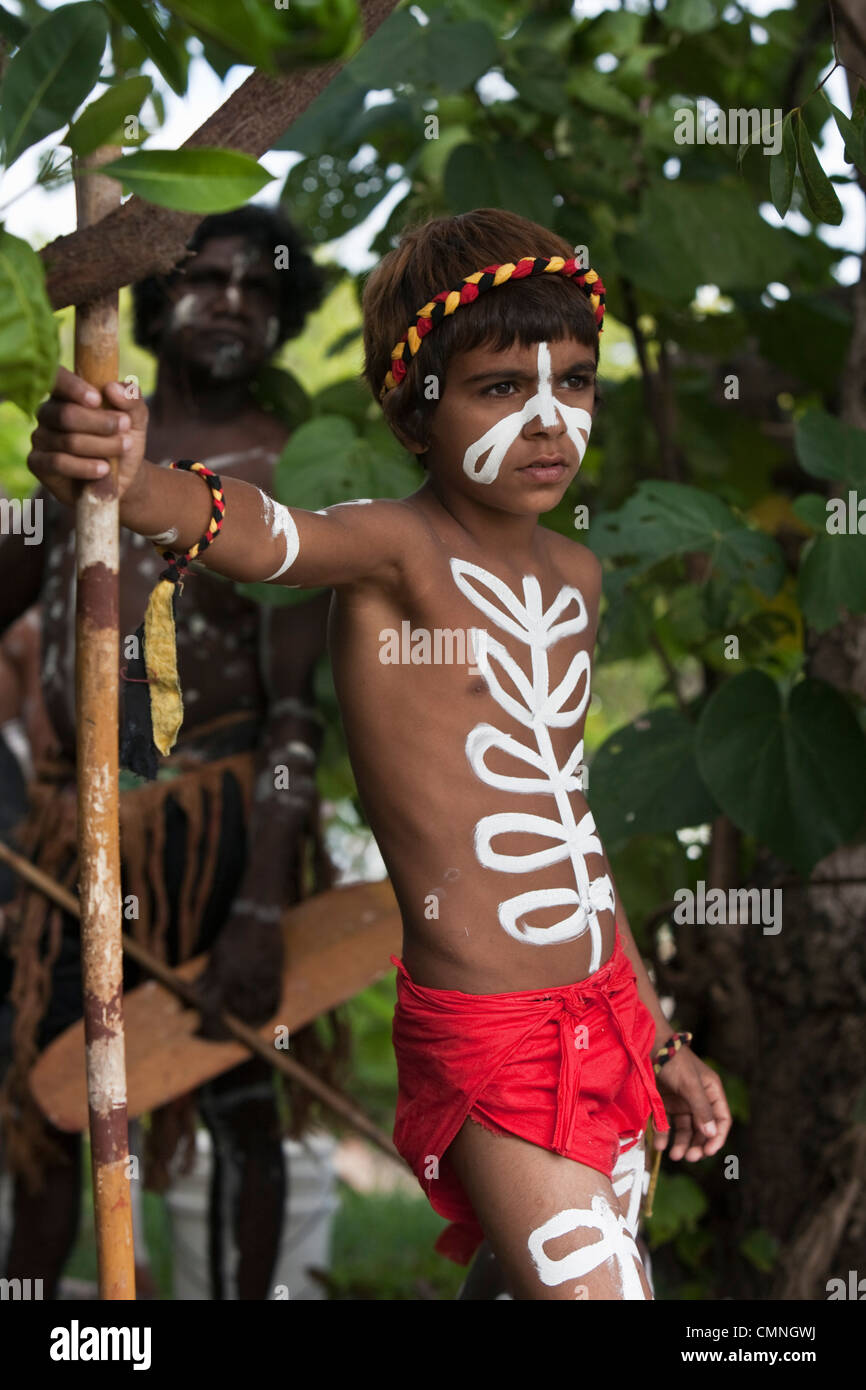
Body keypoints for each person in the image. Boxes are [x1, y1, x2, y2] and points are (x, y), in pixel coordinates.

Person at [26, 207, 732, 1301]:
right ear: (416, 411)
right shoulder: (395, 552)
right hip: (490, 1043)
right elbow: (256, 529)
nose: (549, 421)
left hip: (605, 1011)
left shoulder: (578, 579)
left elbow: (566, 823)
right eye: (502, 388)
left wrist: (653, 1037)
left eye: (576, 382)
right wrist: (126, 470)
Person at [1, 205, 341, 1300]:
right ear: (149, 303)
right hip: (73, 848)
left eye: (258, 285)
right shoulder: (87, 443)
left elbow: (297, 713)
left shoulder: (282, 474)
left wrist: (259, 905)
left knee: (241, 1114)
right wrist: (50, 486)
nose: (231, 298)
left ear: (284, 318)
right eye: (205, 278)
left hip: (223, 843)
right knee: (54, 1112)